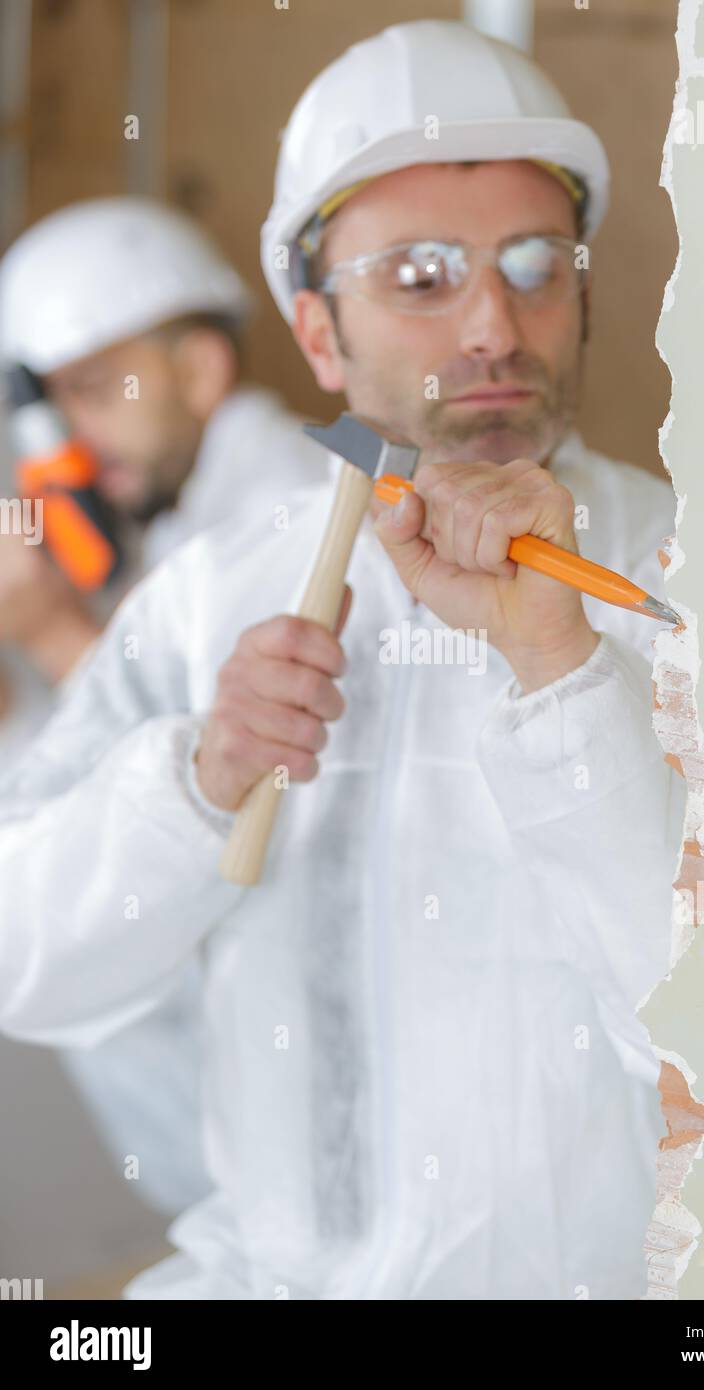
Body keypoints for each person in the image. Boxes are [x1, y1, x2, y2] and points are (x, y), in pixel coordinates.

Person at [0, 20, 686, 1299]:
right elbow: (23, 957)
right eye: (419, 275)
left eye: (535, 263)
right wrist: (195, 785)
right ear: (316, 334)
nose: (493, 322)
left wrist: (563, 671)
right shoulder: (216, 603)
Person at [0, 197, 328, 1217]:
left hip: (312, 1121)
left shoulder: (287, 519)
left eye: (98, 391)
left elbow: (210, 789)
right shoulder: (165, 517)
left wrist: (51, 626)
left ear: (197, 371)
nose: (74, 445)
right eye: (55, 407)